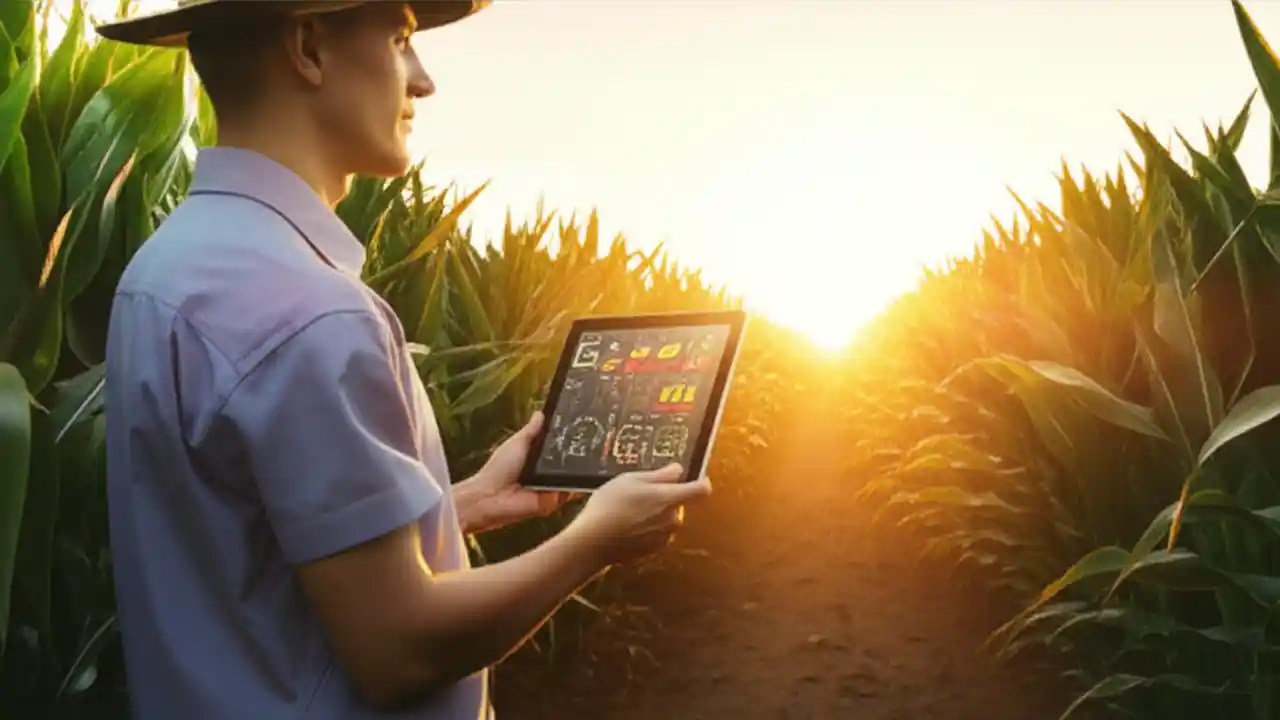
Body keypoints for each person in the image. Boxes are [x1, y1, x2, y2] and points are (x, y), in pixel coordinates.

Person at [95, 2, 713, 718]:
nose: (423, 83)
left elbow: (252, 557)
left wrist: (464, 507)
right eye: (401, 40)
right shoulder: (310, 310)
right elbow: (400, 649)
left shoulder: (163, 270)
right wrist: (593, 541)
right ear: (307, 46)